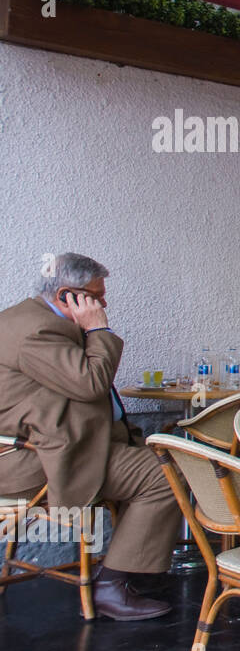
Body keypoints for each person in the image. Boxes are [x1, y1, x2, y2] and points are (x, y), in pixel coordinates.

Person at [0, 253, 180, 620]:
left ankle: (130, 570)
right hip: (38, 461)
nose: (104, 304)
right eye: (97, 297)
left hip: (65, 445)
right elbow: (90, 383)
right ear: (69, 295)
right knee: (166, 472)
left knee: (158, 457)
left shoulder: (33, 317)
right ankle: (111, 585)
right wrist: (98, 330)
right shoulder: (37, 331)